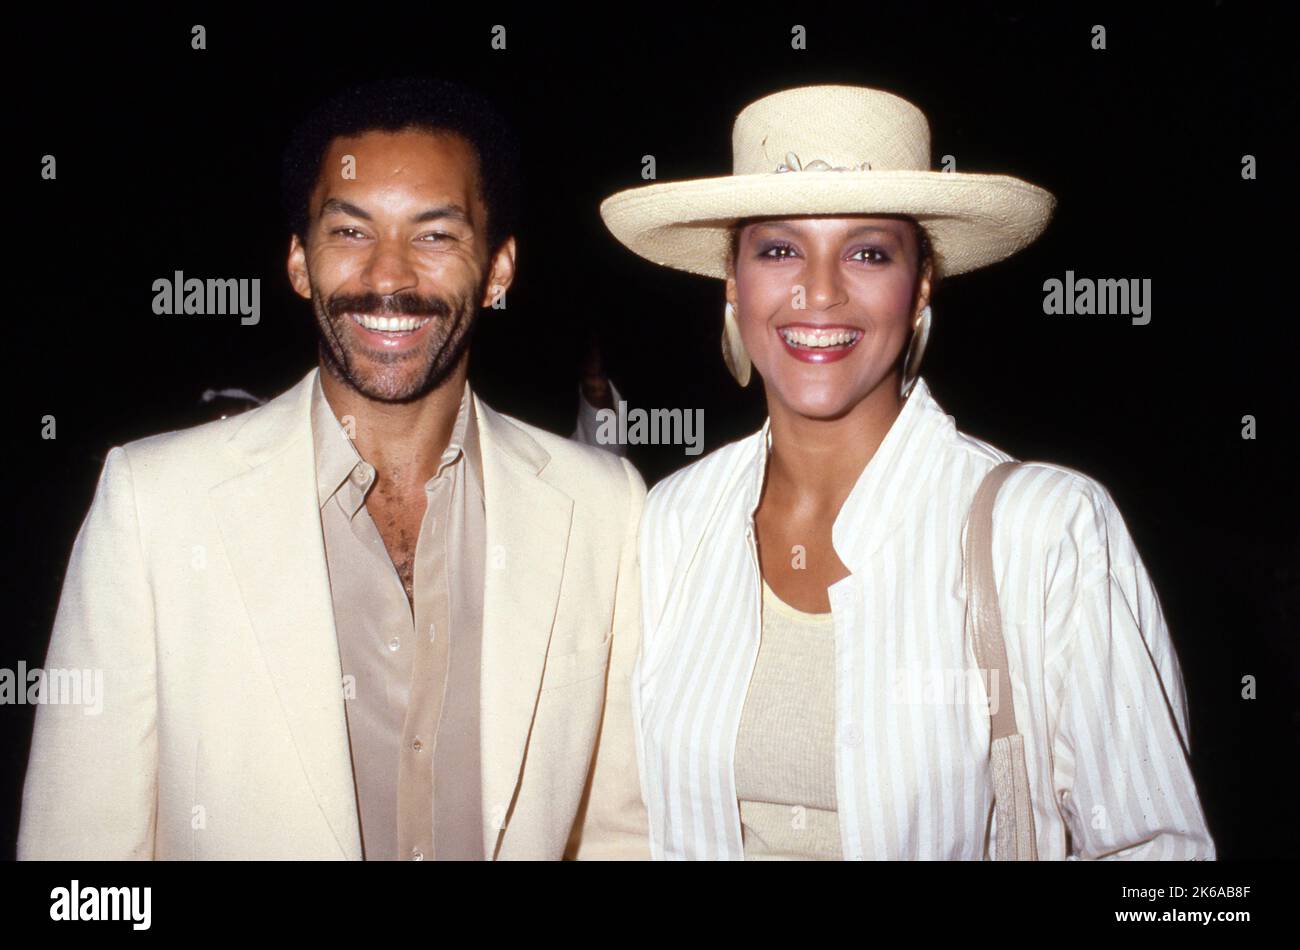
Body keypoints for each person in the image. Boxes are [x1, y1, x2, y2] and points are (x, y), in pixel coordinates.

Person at [18, 77, 648, 860]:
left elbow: (624, 834)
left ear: (498, 272)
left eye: (435, 235)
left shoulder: (604, 508)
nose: (388, 277)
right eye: (351, 233)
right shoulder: (155, 506)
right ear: (298, 262)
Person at [599, 84, 1216, 860]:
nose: (818, 291)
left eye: (867, 252)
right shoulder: (672, 522)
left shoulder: (1046, 531)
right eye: (779, 249)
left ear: (921, 284)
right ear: (733, 278)